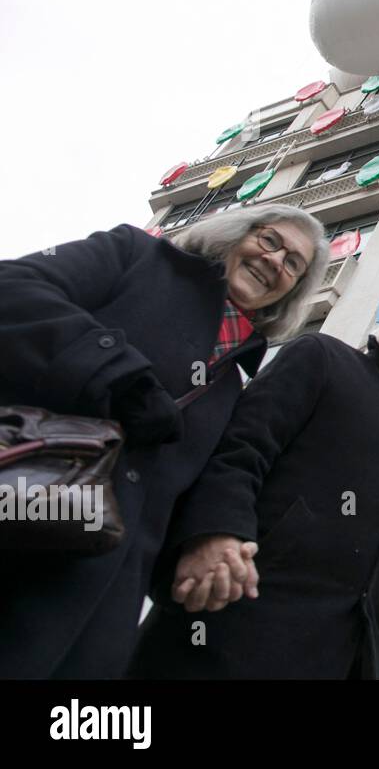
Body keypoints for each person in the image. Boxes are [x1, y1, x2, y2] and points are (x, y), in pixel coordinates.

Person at [0, 206, 328, 678]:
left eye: (294, 264)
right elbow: (13, 288)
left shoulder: (236, 386)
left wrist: (210, 548)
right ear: (236, 233)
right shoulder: (136, 254)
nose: (277, 261)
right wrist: (119, 376)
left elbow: (177, 496)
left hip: (94, 608)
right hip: (19, 512)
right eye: (271, 241)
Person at [129, 301, 379, 679]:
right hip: (232, 622)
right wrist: (213, 532)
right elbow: (239, 449)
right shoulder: (323, 358)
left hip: (344, 662)